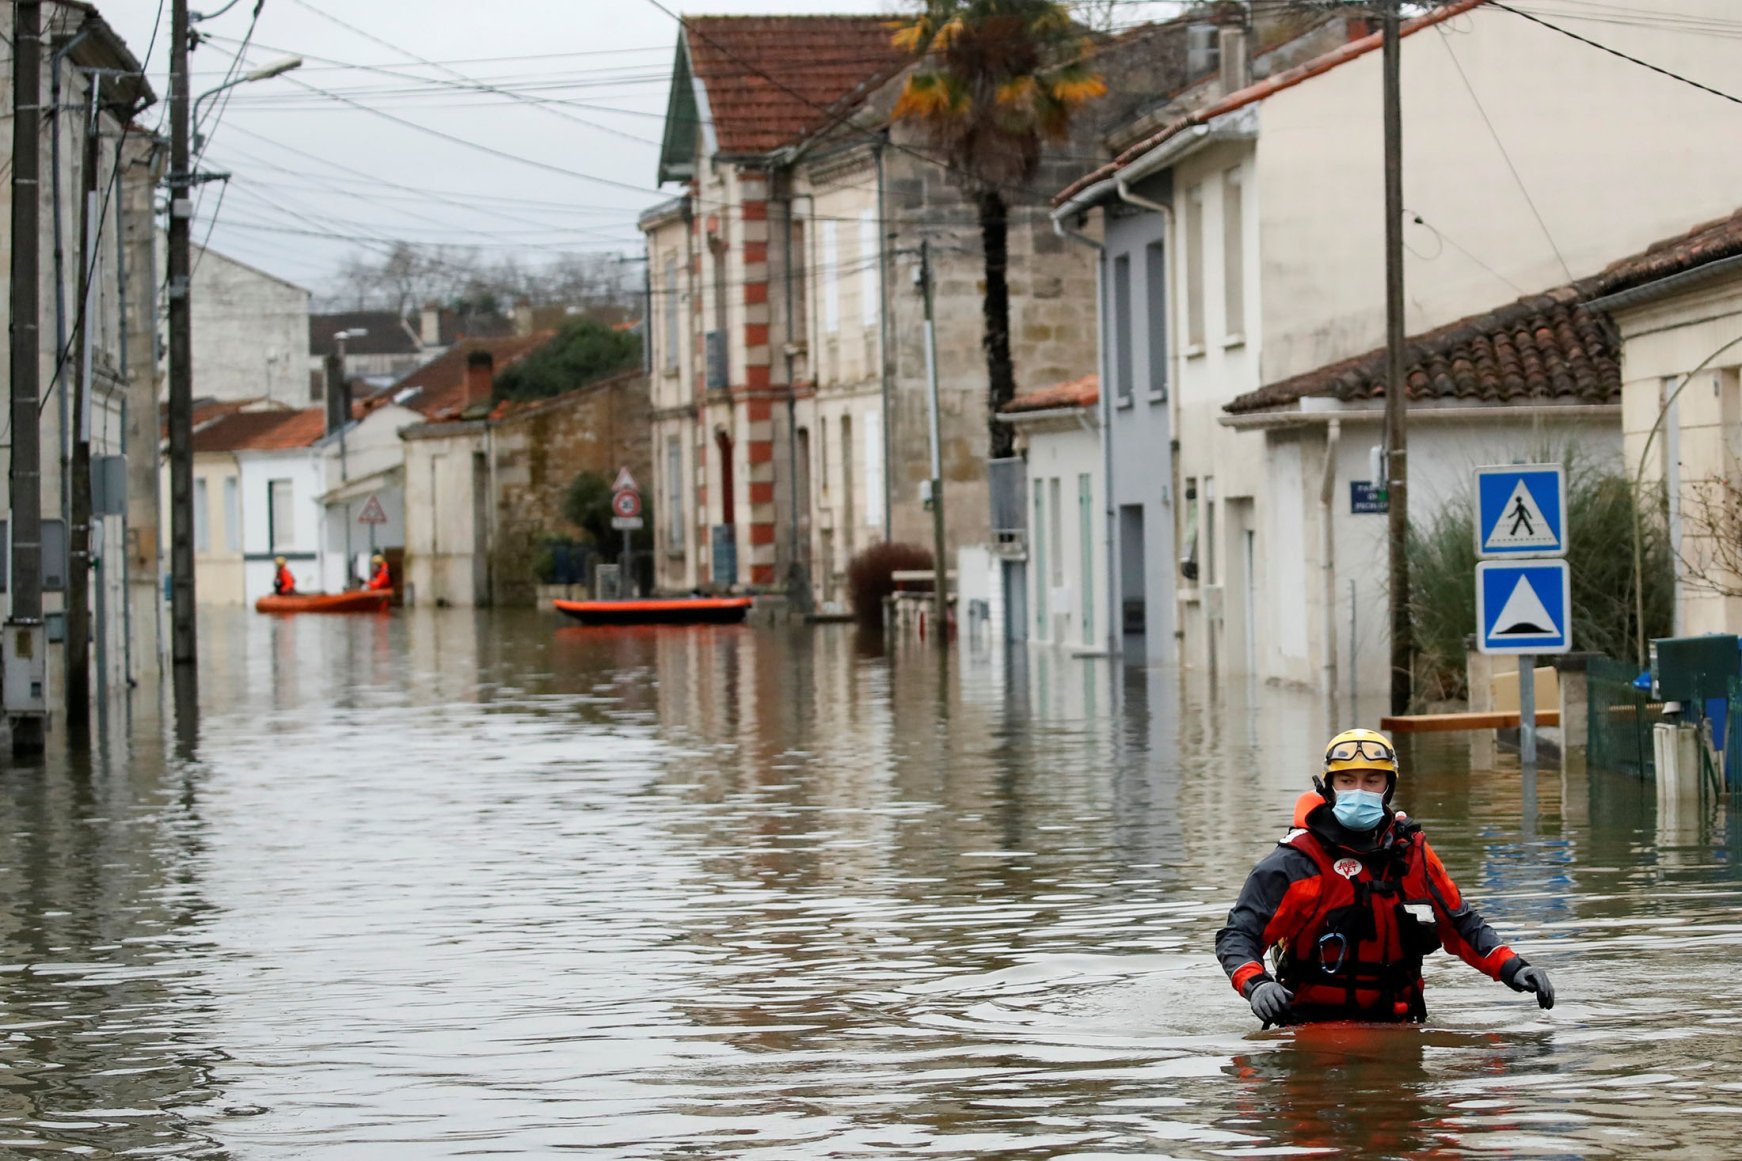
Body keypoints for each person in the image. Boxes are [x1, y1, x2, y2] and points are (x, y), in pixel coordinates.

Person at [1216, 728, 1554, 1026]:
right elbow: (1239, 935)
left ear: (1388, 787)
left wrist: (1513, 967)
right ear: (1329, 786)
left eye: (1371, 780)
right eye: (1347, 780)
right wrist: (1256, 983)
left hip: (1399, 1024)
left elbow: (1461, 925)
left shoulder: (1412, 853)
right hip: (1312, 1030)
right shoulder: (1295, 862)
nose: (1359, 791)